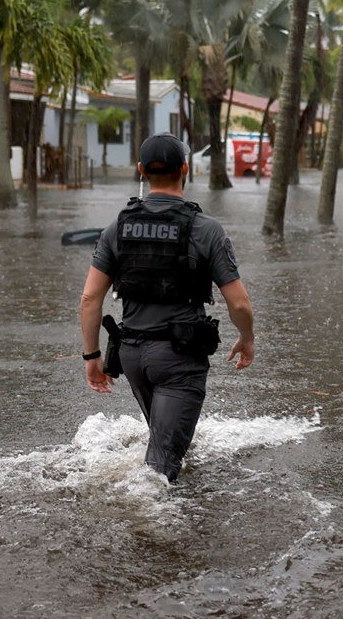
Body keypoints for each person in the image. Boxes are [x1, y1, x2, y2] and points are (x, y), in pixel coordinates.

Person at [79, 132, 255, 482]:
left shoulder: (118, 226)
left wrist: (91, 357)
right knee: (161, 467)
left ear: (142, 171)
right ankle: (144, 524)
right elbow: (239, 303)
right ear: (185, 169)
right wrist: (247, 337)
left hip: (130, 357)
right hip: (178, 359)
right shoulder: (206, 230)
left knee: (163, 446)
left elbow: (89, 299)